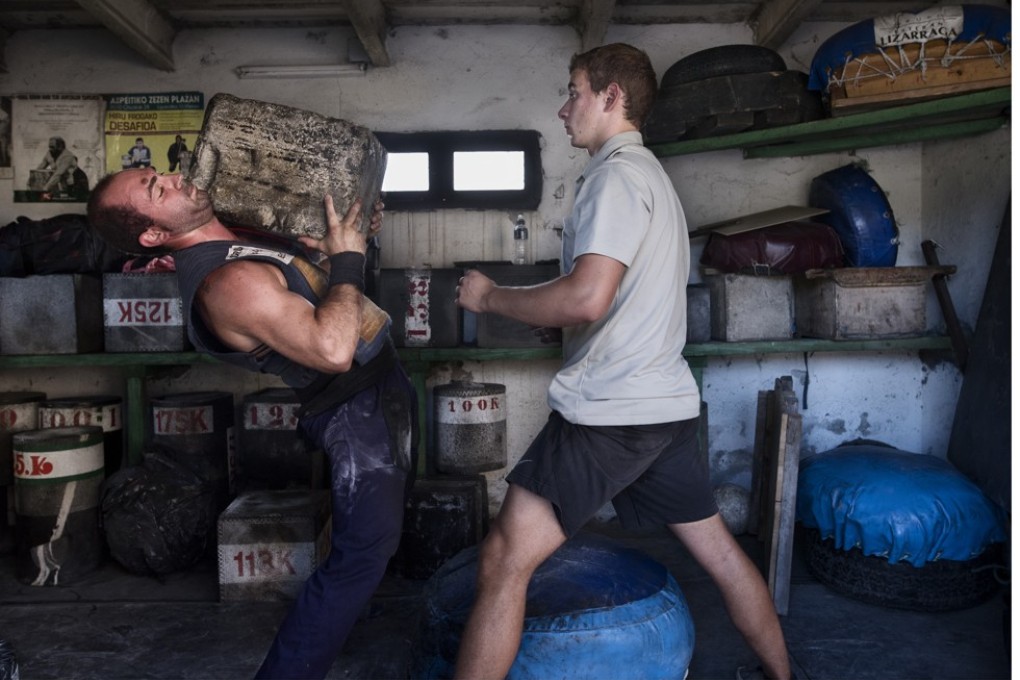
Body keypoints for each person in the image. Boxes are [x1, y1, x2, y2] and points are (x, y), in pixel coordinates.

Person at [453, 43, 793, 680]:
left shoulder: (615, 178)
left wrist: (489, 298)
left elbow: (586, 298)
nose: (563, 108)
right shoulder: (652, 177)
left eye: (574, 90)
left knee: (503, 560)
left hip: (611, 414)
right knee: (719, 553)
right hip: (662, 409)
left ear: (612, 97)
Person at [87, 167, 418, 680]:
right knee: (360, 558)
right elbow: (332, 349)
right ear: (153, 236)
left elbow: (324, 292)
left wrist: (351, 241)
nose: (175, 177)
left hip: (377, 395)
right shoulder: (228, 283)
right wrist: (349, 259)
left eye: (160, 172)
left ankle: (343, 619)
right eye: (157, 190)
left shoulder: (241, 242)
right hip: (356, 413)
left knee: (364, 549)